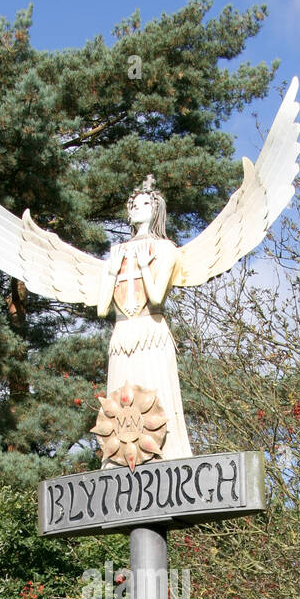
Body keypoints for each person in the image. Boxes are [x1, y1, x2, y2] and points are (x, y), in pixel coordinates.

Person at [96, 177, 193, 460]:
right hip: (122, 335)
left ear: (156, 208)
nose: (138, 208)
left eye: (145, 203)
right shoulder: (116, 253)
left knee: (157, 398)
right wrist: (113, 271)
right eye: (134, 204)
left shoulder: (165, 249)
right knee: (120, 403)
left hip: (151, 331)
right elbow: (103, 308)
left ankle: (168, 460)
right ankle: (118, 463)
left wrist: (141, 266)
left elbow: (157, 297)